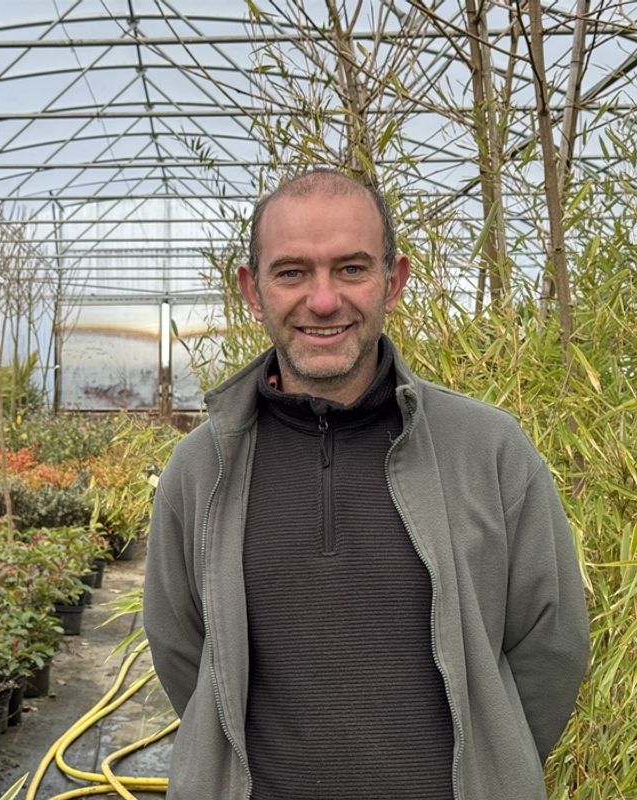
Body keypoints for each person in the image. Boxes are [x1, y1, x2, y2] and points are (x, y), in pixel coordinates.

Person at [143, 168, 588, 799]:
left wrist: (493, 767)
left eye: (351, 269)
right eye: (292, 272)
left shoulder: (487, 450)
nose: (322, 301)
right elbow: (181, 651)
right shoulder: (201, 468)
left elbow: (551, 647)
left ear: (393, 280)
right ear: (252, 288)